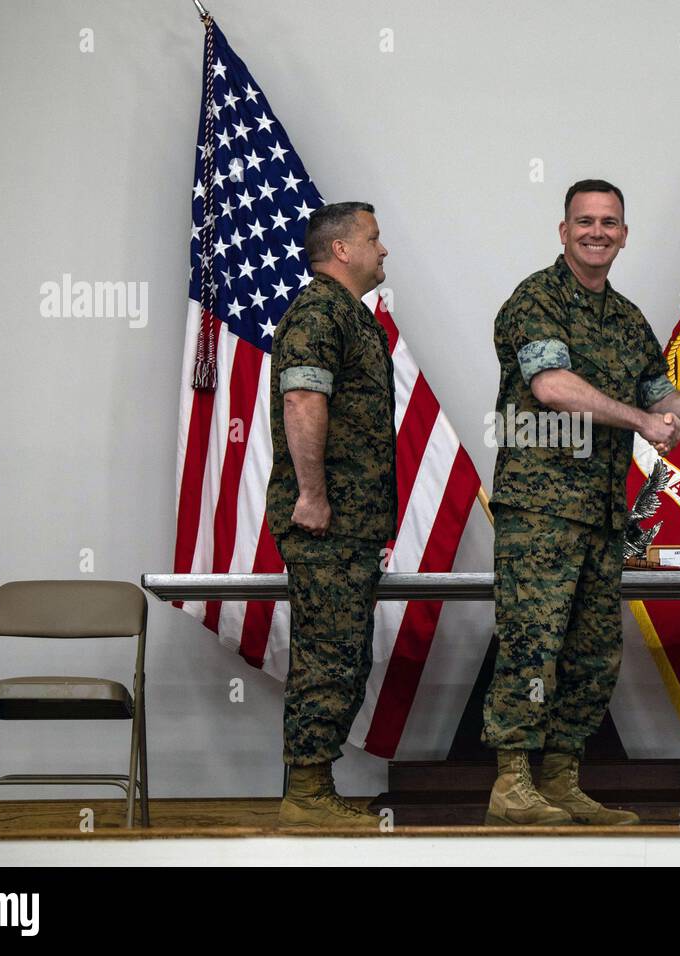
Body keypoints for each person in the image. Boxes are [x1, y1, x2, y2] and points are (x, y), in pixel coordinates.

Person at [484, 179, 680, 826]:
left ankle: (561, 780)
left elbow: (664, 401)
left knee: (593, 652)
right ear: (562, 231)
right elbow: (553, 386)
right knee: (531, 642)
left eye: (610, 222)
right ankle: (511, 785)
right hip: (540, 507)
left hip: (600, 512)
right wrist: (642, 422)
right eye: (584, 221)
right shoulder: (536, 299)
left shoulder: (626, 319)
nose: (597, 232)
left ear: (625, 234)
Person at [266, 202, 395, 829]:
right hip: (326, 522)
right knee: (328, 654)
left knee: (345, 653)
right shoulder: (320, 313)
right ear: (341, 250)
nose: (383, 249)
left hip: (351, 525)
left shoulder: (350, 317)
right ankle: (306, 795)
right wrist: (312, 495)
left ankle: (314, 788)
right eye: (373, 238)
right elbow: (302, 398)